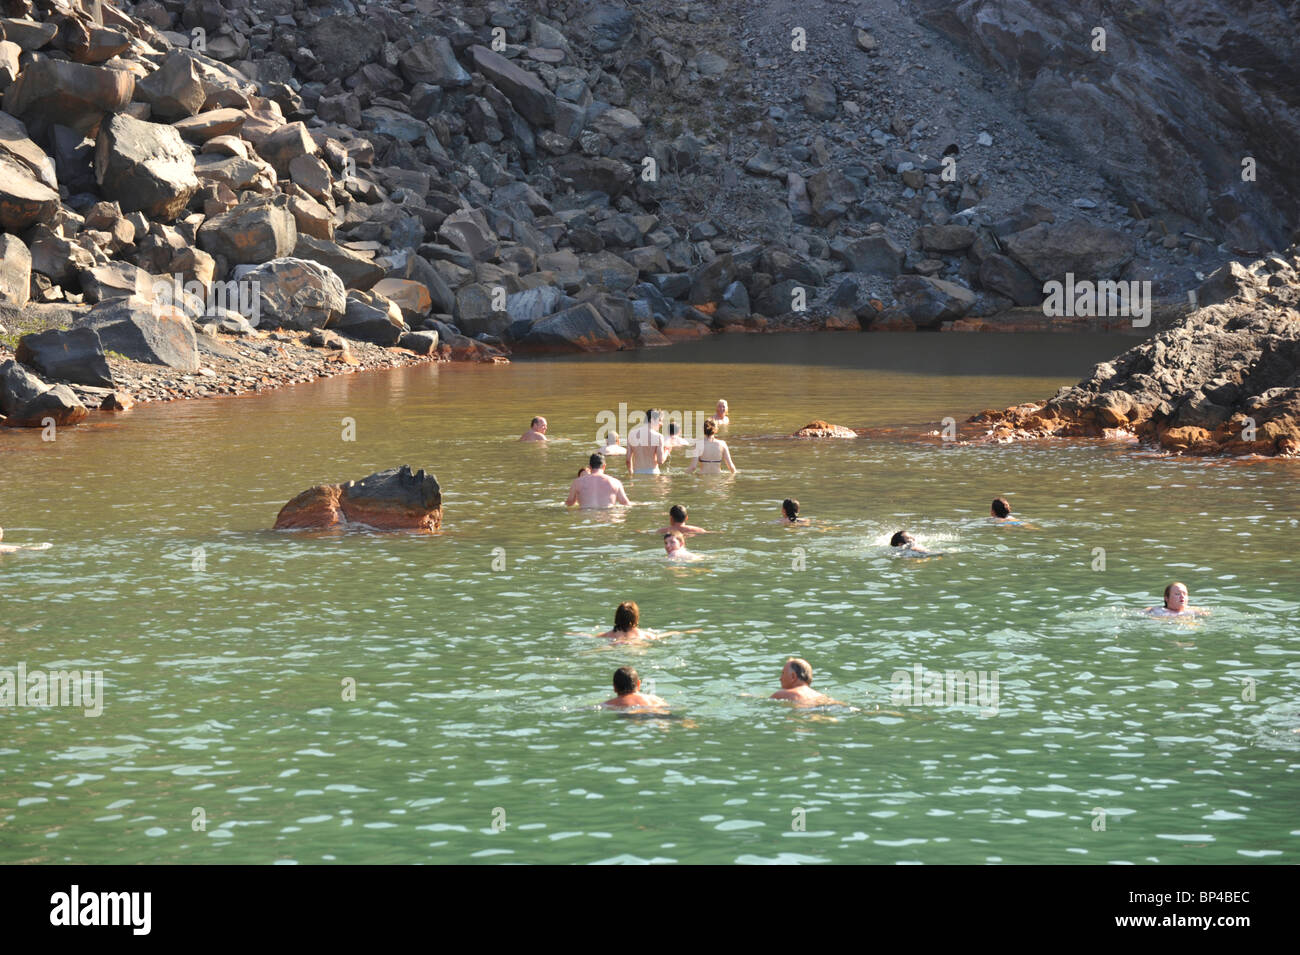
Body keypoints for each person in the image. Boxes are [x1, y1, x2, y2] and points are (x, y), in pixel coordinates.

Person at [565, 453, 631, 508]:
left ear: (590, 467)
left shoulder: (577, 482)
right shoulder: (615, 482)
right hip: (608, 517)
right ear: (604, 466)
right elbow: (625, 503)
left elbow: (569, 503)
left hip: (586, 518)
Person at [770, 658, 841, 706]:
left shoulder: (783, 694)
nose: (780, 678)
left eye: (783, 673)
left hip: (805, 711)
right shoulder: (820, 695)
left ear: (793, 677)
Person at [604, 666, 668, 711]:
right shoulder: (656, 700)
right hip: (655, 711)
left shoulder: (610, 704)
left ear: (614, 687)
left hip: (630, 715)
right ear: (638, 684)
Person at [626, 409, 666, 475]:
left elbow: (628, 460)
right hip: (653, 473)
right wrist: (667, 451)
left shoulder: (631, 434)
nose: (662, 423)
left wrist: (631, 473)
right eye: (660, 420)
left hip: (637, 473)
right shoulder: (658, 436)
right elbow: (660, 461)